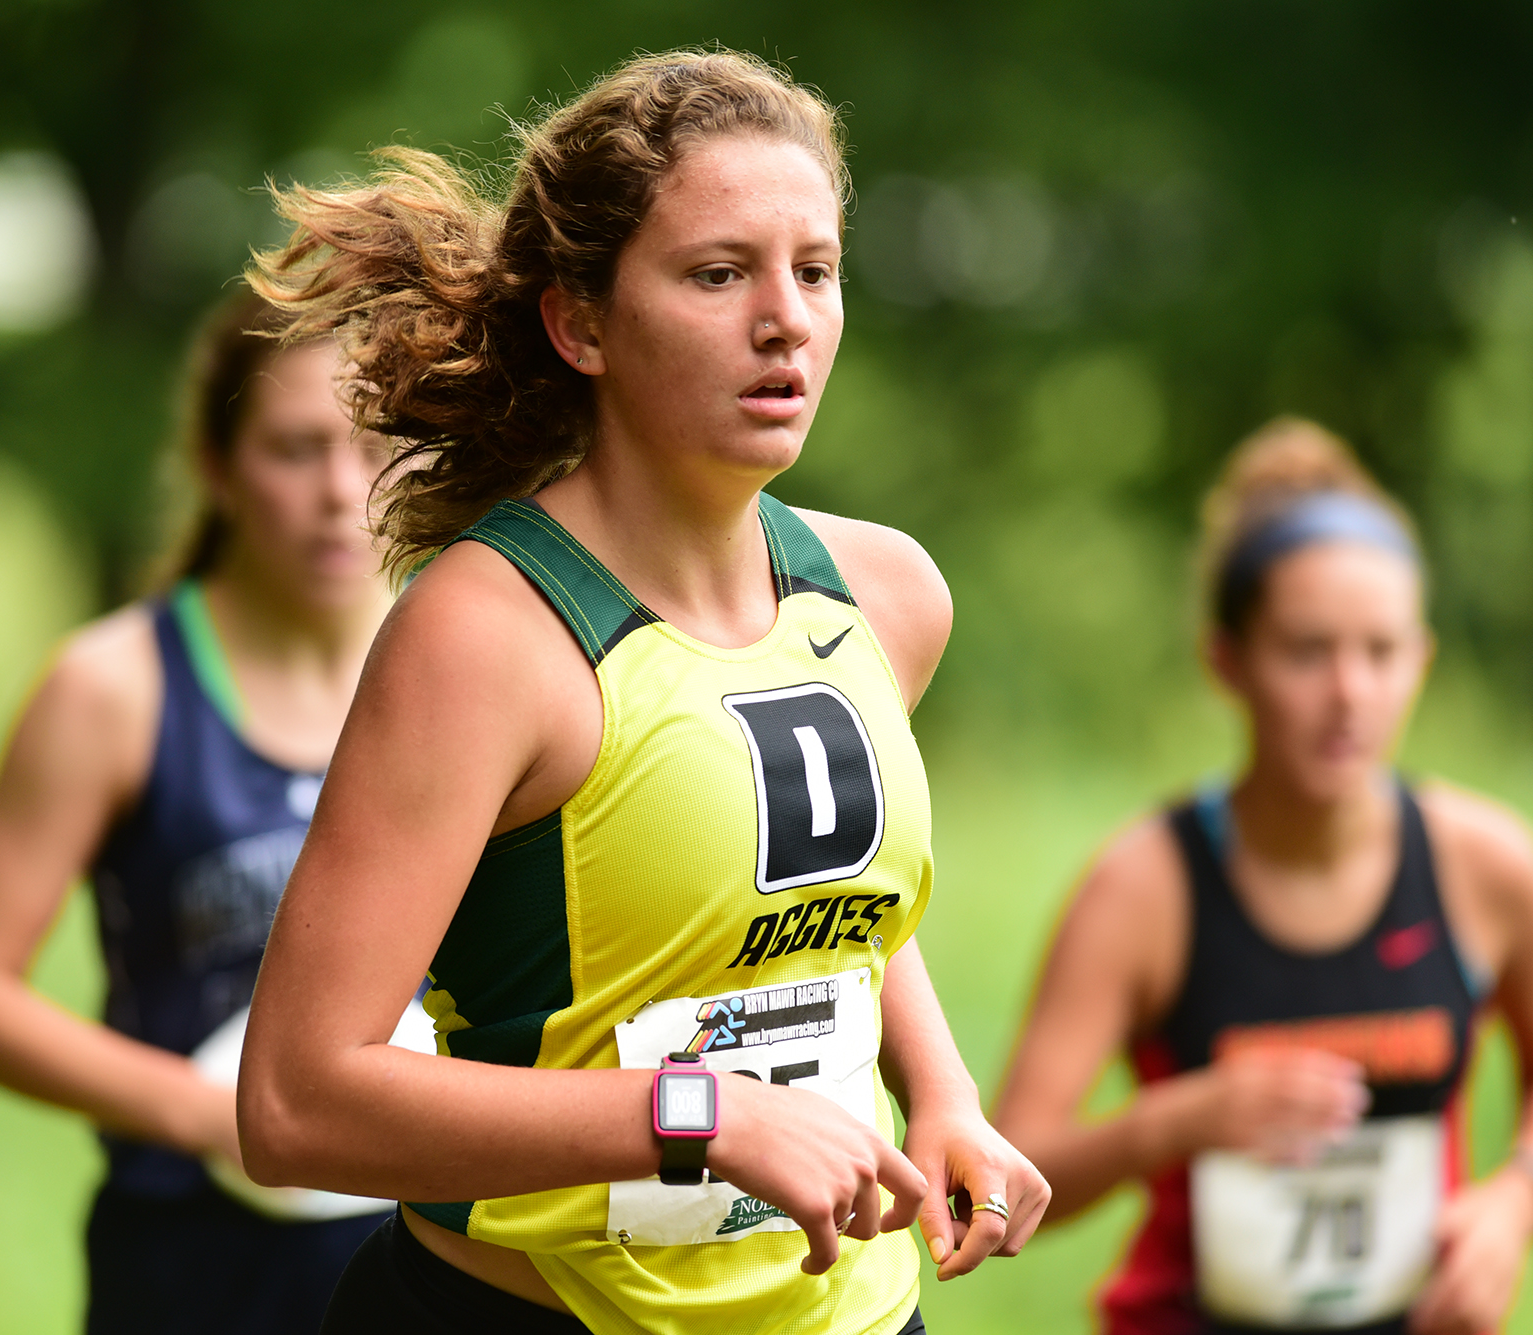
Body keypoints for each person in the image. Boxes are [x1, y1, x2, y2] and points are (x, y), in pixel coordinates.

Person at [235, 49, 1050, 1335]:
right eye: (718, 274)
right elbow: (293, 1104)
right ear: (583, 323)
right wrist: (700, 1119)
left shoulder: (885, 596)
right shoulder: (487, 635)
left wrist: (940, 1092)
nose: (784, 317)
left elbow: (825, 917)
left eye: (816, 271)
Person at [993, 419, 1533, 1335]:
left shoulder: (1489, 864)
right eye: (1308, 652)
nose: (1351, 691)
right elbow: (1003, 1177)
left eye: (1383, 652)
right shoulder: (1144, 886)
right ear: (1226, 661)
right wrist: (1178, 1119)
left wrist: (1519, 1198)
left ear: (1423, 660)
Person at [0, 291, 404, 1334]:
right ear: (218, 467)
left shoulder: (472, 667)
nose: (340, 491)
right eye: (294, 449)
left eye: (374, 445)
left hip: (430, 1254)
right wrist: (215, 1114)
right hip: (193, 1266)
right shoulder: (114, 688)